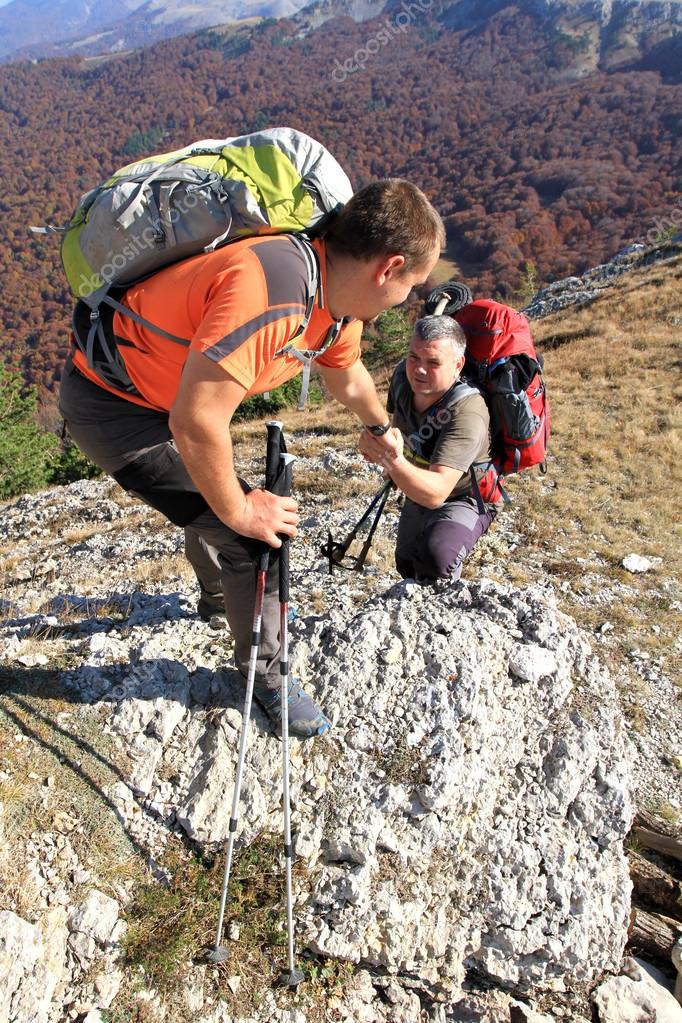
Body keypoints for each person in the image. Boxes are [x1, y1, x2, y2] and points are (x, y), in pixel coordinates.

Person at [59, 179, 444, 738]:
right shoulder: (274, 293)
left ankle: (217, 595)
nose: (407, 300)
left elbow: (344, 371)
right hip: (114, 407)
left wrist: (380, 427)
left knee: (218, 498)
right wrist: (240, 512)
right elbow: (195, 424)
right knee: (253, 535)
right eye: (413, 285)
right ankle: (264, 677)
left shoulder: (332, 297)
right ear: (389, 268)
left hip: (158, 395)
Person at [359, 315, 500, 583]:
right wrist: (377, 441)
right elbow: (397, 426)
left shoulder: (468, 412)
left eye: (433, 362)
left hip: (465, 495)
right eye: (414, 357)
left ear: (458, 365)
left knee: (436, 563)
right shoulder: (403, 377)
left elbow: (436, 493)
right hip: (419, 478)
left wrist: (391, 460)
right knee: (407, 563)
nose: (419, 370)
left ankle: (446, 613)